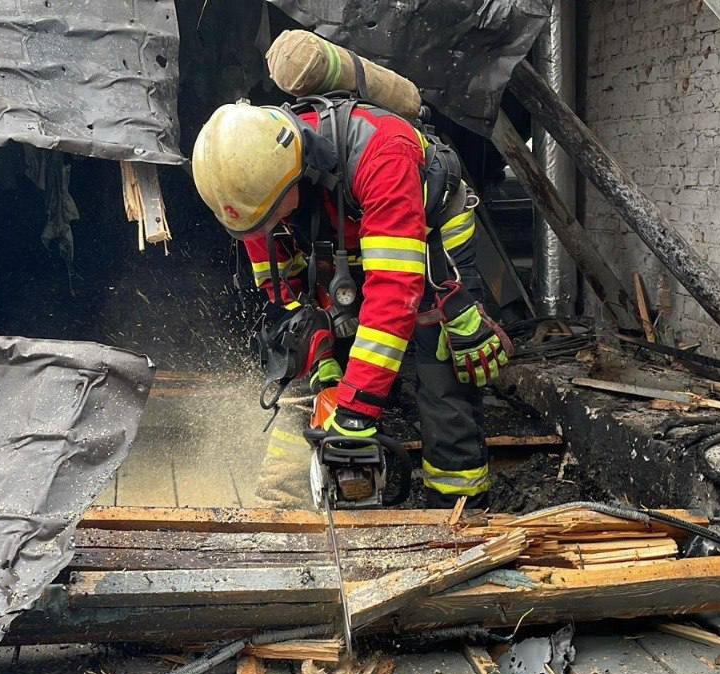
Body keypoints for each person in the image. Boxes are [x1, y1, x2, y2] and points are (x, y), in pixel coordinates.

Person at [191, 98, 511, 507]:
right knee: (310, 367)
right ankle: (284, 498)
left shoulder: (381, 152)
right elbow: (284, 290)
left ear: (298, 174)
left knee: (441, 373)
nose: (266, 230)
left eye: (271, 219)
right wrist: (321, 357)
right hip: (345, 240)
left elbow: (394, 293)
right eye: (257, 226)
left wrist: (357, 411)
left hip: (432, 244)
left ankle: (457, 506)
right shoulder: (252, 192)